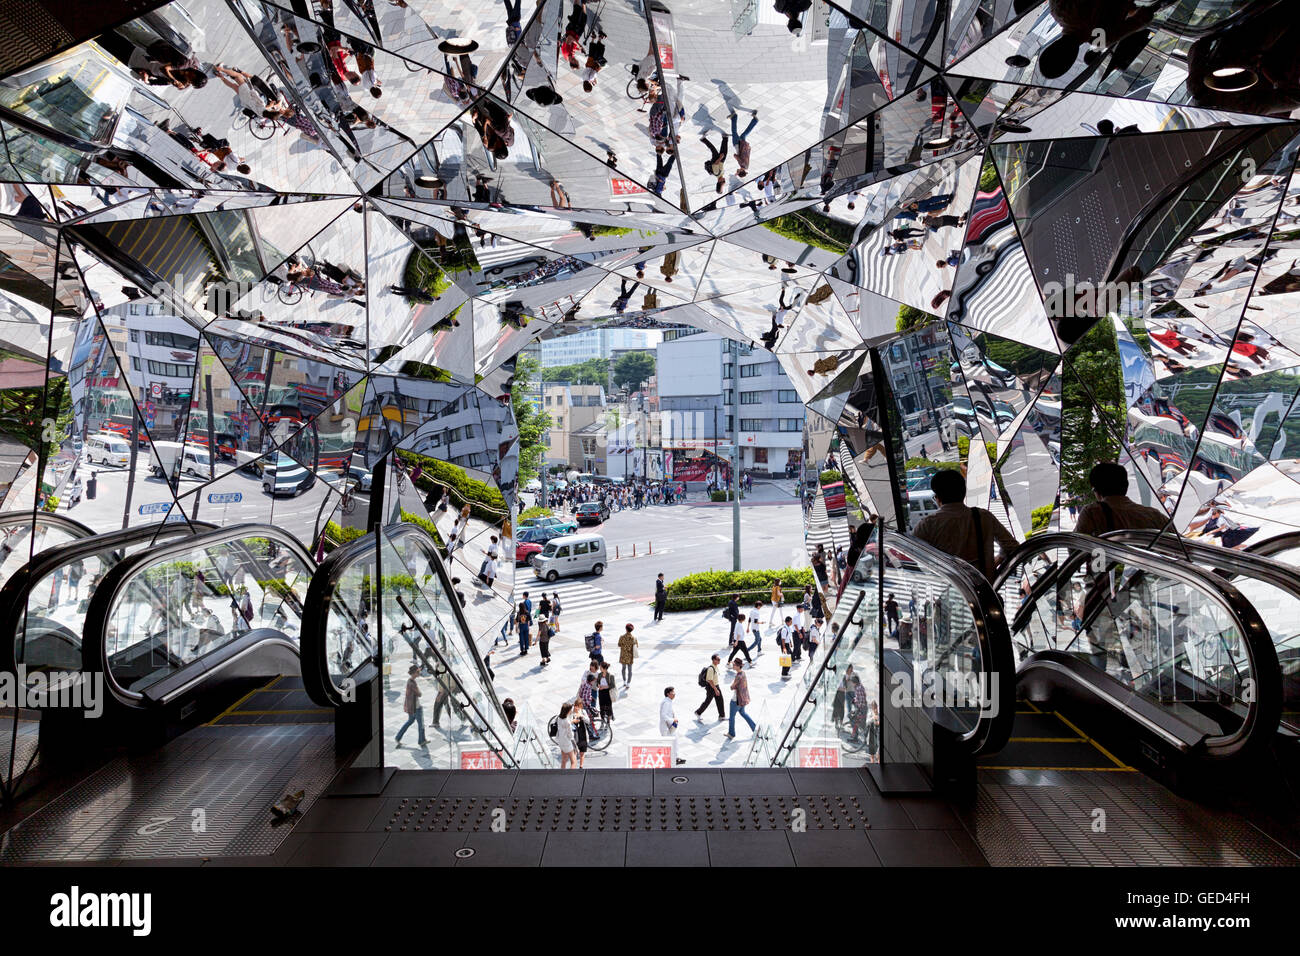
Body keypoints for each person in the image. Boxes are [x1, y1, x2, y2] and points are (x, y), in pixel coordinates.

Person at [913, 470, 1019, 581]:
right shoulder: (984, 516)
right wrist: (993, 564)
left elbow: (915, 557)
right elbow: (1010, 546)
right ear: (964, 492)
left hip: (953, 588)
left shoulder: (927, 525)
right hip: (984, 587)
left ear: (937, 498)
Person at [1074, 462, 1169, 537]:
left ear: (1096, 491)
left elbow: (1074, 550)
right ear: (1126, 486)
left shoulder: (1092, 512)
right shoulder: (1154, 515)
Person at [724, 659, 757, 739]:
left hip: (736, 700)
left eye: (734, 665)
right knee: (743, 713)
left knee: (732, 717)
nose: (733, 666)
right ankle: (755, 728)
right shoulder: (743, 673)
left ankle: (731, 734)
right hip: (743, 699)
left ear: (738, 666)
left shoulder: (738, 676)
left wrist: (732, 685)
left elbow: (732, 687)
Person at [395, 665, 427, 746]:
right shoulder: (412, 683)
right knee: (421, 724)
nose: (419, 673)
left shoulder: (409, 681)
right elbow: (419, 694)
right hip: (415, 707)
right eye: (417, 672)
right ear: (413, 673)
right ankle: (421, 741)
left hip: (411, 707)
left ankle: (398, 737)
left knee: (410, 721)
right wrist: (418, 690)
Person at [660, 687, 687, 764]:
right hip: (666, 727)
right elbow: (663, 715)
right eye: (672, 692)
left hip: (670, 726)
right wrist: (673, 720)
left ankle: (675, 758)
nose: (674, 693)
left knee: (674, 740)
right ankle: (670, 758)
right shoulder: (666, 703)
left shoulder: (668, 702)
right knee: (669, 742)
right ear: (668, 694)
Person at [694, 654, 725, 720]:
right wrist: (715, 689)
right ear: (714, 660)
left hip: (716, 686)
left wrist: (716, 688)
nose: (719, 660)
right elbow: (710, 680)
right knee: (707, 701)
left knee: (720, 700)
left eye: (719, 659)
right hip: (712, 687)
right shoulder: (711, 669)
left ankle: (722, 716)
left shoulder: (715, 666)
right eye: (718, 659)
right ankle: (698, 712)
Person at [557, 701, 577, 768]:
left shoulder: (559, 718)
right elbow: (570, 735)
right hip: (567, 742)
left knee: (564, 760)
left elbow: (565, 723)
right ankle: (571, 777)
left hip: (560, 741)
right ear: (568, 710)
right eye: (570, 709)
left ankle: (562, 775)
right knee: (573, 761)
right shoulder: (567, 722)